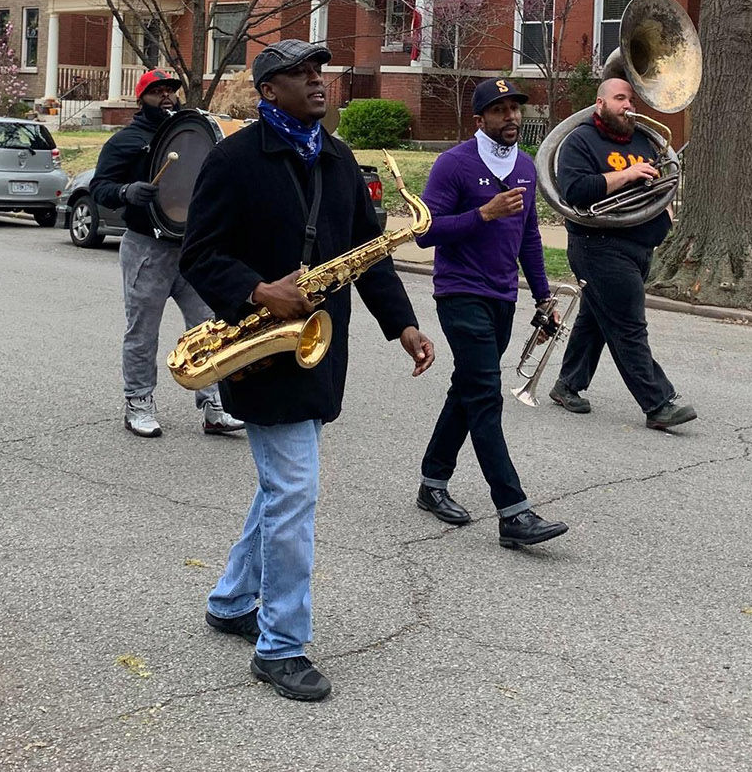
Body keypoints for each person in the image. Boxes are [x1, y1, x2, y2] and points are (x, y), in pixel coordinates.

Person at [180, 39, 435, 702]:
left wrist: (401, 324)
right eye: (299, 74)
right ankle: (281, 643)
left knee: (281, 489)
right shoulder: (234, 160)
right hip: (262, 351)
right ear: (268, 91)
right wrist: (261, 291)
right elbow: (199, 254)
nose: (318, 81)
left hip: (318, 352)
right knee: (295, 491)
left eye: (319, 71)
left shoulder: (339, 159)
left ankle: (233, 599)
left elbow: (368, 252)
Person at [413, 77, 568, 549]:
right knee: (485, 395)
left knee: (468, 388)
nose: (512, 118)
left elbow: (529, 238)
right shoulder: (452, 165)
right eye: (500, 110)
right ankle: (513, 512)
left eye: (515, 108)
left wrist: (543, 298)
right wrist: (483, 213)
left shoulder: (523, 165)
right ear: (480, 120)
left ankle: (432, 483)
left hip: (502, 297)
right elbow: (426, 232)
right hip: (460, 294)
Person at [91, 69, 242, 439]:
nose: (166, 97)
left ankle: (213, 406)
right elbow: (100, 187)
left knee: (209, 329)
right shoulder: (126, 141)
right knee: (143, 333)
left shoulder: (191, 134)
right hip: (147, 247)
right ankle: (138, 402)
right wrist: (127, 191)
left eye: (170, 90)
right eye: (157, 91)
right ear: (141, 98)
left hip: (192, 248)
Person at [547, 77, 696, 430]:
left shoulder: (645, 139)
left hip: (640, 246)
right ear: (600, 104)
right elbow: (575, 191)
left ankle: (567, 385)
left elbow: (663, 183)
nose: (628, 104)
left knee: (596, 319)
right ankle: (658, 404)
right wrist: (626, 175)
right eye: (619, 98)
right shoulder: (579, 141)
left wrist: (665, 210)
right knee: (628, 325)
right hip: (598, 246)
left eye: (631, 98)